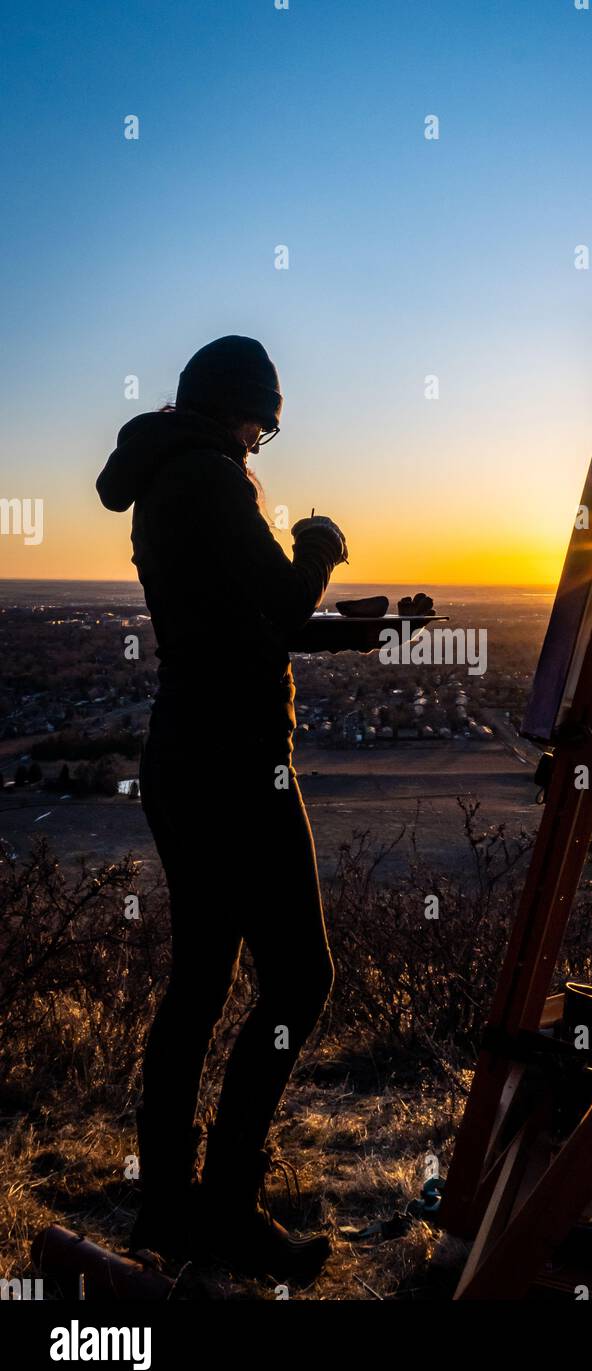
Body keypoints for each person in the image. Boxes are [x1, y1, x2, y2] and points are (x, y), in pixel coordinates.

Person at [96, 335, 348, 1283]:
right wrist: (319, 545)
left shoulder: (165, 473)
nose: (259, 441)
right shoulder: (211, 475)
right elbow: (280, 606)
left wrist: (342, 635)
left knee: (200, 985)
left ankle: (170, 1206)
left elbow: (239, 619)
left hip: (185, 758)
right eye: (262, 422)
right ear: (236, 407)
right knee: (299, 981)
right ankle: (229, 1208)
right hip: (238, 768)